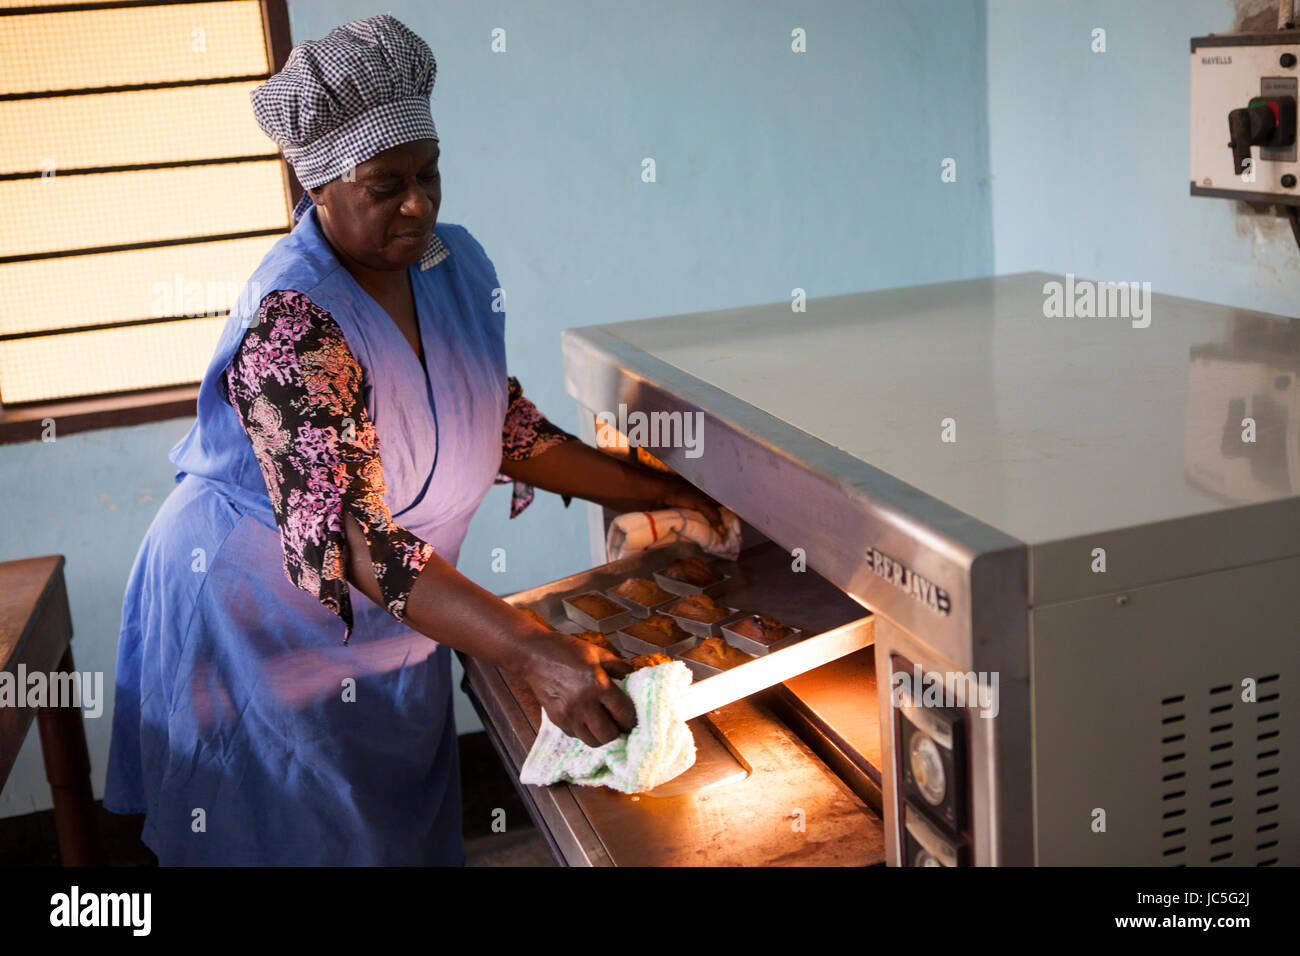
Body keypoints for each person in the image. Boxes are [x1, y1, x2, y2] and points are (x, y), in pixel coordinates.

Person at [103, 14, 723, 866]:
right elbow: (354, 537)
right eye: (385, 184)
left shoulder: (448, 263)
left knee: (388, 833)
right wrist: (527, 645)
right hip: (258, 616)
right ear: (319, 186)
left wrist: (660, 489)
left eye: (429, 174)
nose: (418, 203)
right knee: (290, 832)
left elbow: (498, 424)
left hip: (398, 615)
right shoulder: (294, 322)